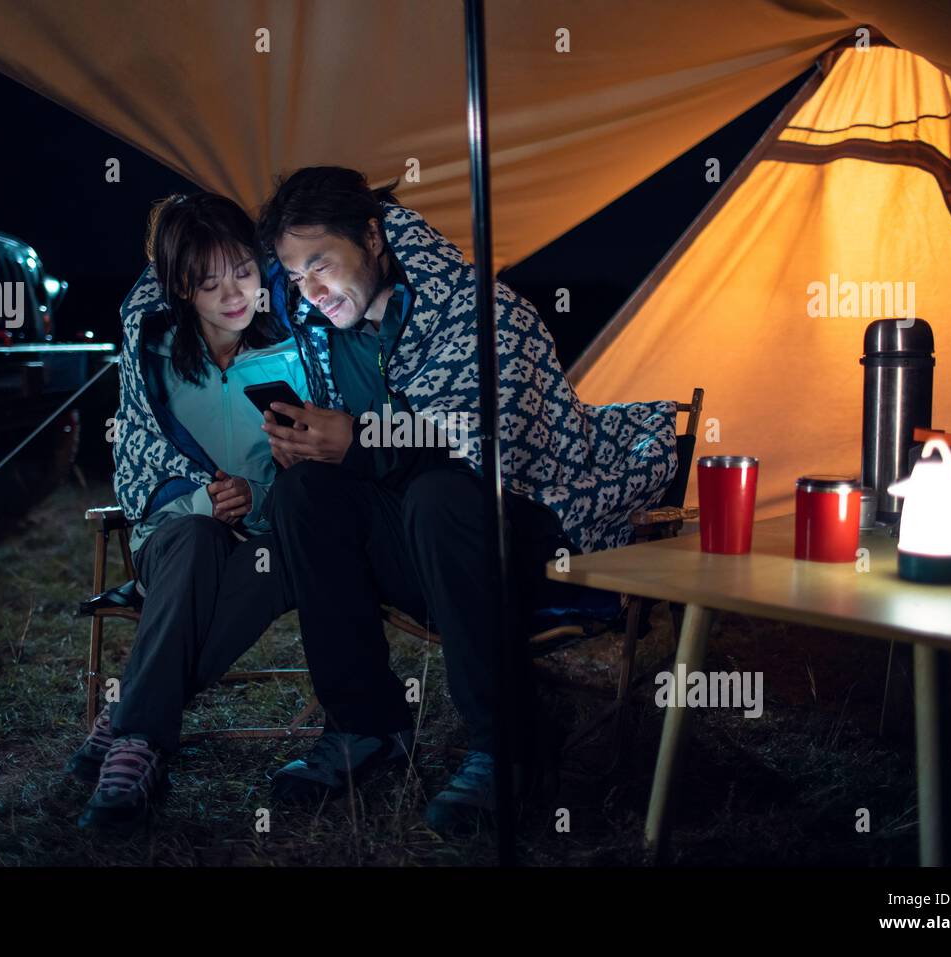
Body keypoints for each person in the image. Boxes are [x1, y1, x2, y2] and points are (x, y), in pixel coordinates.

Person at [254, 166, 679, 835]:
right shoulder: (330, 340)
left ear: (371, 235)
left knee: (442, 493)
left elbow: (490, 442)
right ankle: (365, 726)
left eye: (321, 266)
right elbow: (361, 467)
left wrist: (359, 440)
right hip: (423, 555)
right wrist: (311, 445)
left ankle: (506, 747)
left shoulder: (482, 313)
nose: (311, 292)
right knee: (304, 491)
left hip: (529, 537)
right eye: (295, 276)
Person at [65, 191, 311, 832]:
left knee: (286, 557)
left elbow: (316, 468)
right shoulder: (156, 359)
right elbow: (137, 465)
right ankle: (141, 733)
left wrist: (259, 497)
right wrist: (203, 500)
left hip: (260, 538)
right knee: (200, 536)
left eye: (245, 272)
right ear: (180, 287)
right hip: (173, 541)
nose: (233, 293)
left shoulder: (293, 353)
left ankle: (132, 730)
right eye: (209, 282)